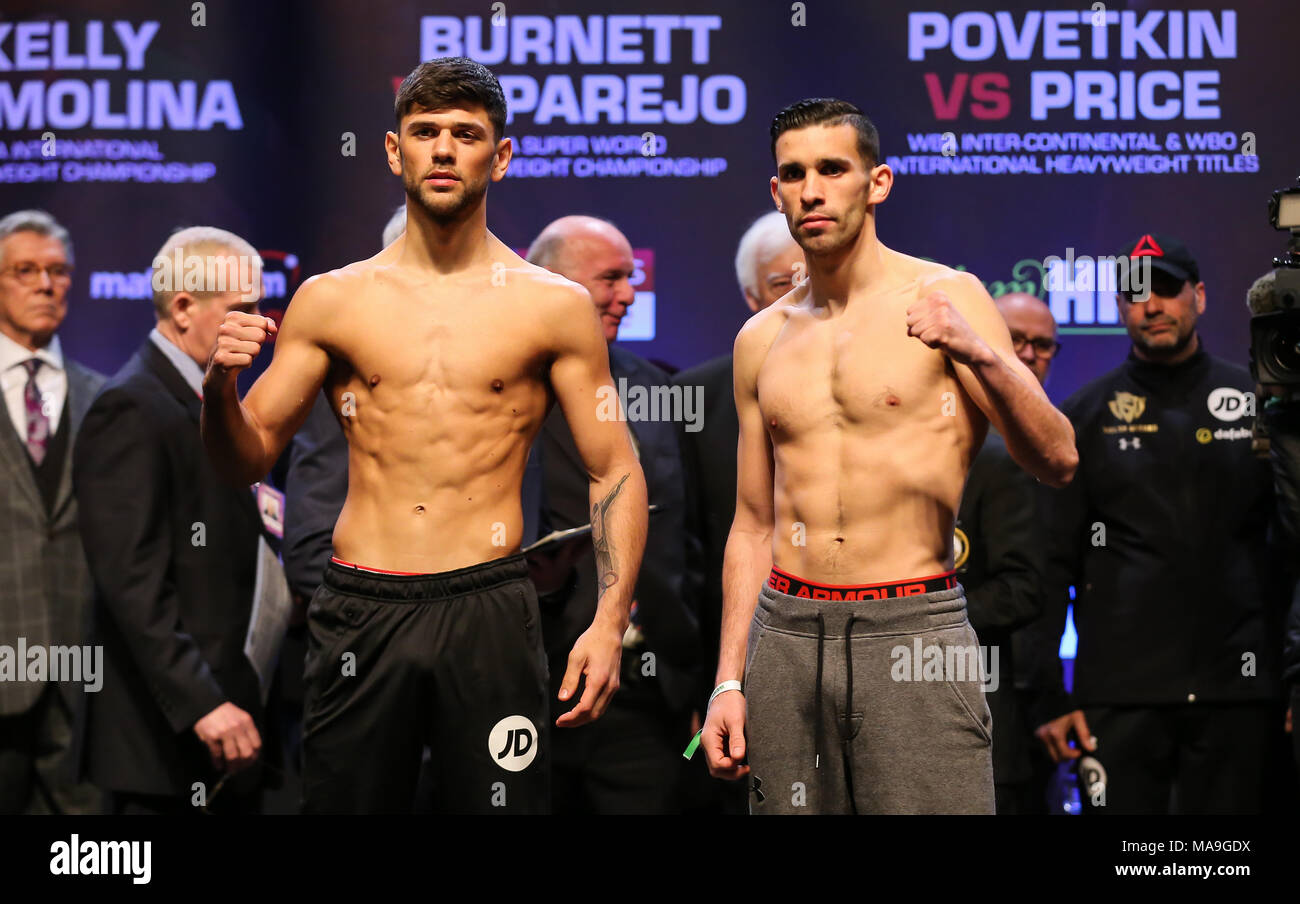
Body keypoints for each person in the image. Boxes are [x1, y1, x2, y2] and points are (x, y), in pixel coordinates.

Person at [201, 57, 647, 814]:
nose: (443, 149)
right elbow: (247, 456)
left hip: (491, 610)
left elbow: (617, 471)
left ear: (499, 157)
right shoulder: (332, 300)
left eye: (466, 134)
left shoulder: (554, 307)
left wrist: (609, 625)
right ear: (392, 149)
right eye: (425, 131)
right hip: (361, 607)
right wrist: (218, 388)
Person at [701, 98, 1077, 815]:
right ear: (775, 191)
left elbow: (1056, 458)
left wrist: (977, 351)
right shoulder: (762, 338)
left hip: (913, 629)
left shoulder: (948, 297)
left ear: (878, 183)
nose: (811, 190)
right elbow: (752, 525)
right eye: (793, 173)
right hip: (785, 635)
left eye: (833, 169)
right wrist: (729, 680)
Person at [1033, 234, 1293, 814]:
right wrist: (1052, 695)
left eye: (1167, 289)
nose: (1151, 305)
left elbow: (1292, 549)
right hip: (1118, 694)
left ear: (1199, 296)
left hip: (1242, 689)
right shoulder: (1082, 416)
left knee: (1225, 860)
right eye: (1134, 294)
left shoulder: (1259, 404)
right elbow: (1051, 565)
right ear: (1121, 309)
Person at [74, 226, 270, 814]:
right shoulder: (131, 406)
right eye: (244, 309)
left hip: (223, 729)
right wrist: (202, 703)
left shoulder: (211, 399)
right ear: (183, 308)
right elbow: (131, 582)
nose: (262, 325)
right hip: (167, 742)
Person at [527, 215, 700, 813]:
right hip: (526, 680)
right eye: (612, 278)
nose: (628, 294)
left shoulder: (653, 386)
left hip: (644, 693)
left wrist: (700, 671)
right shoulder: (497, 386)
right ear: (553, 281)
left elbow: (686, 536)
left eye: (632, 278)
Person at [674, 210, 803, 812]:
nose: (802, 291)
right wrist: (716, 681)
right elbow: (691, 552)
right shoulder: (693, 401)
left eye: (812, 275)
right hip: (732, 664)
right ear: (751, 296)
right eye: (783, 283)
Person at [0, 210, 104, 815]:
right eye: (26, 270)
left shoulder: (104, 397)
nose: (46, 284)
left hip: (82, 675)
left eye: (59, 271)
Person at [953, 292, 1060, 814]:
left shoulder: (1043, 445)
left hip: (1001, 704)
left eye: (1043, 344)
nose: (1028, 353)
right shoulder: (923, 444)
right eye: (1015, 340)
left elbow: (1028, 588)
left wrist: (914, 619)